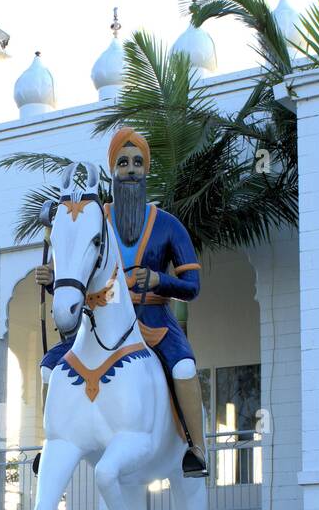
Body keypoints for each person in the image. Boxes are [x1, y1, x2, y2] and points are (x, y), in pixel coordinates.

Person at [36, 126, 208, 476]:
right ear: (112, 170)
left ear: (146, 170)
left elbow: (192, 285)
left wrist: (160, 279)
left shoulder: (169, 226)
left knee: (184, 367)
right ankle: (52, 440)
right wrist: (55, 280)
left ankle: (196, 447)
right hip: (101, 317)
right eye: (123, 162)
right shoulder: (96, 219)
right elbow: (78, 274)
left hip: (154, 318)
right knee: (48, 367)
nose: (131, 169)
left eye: (138, 162)